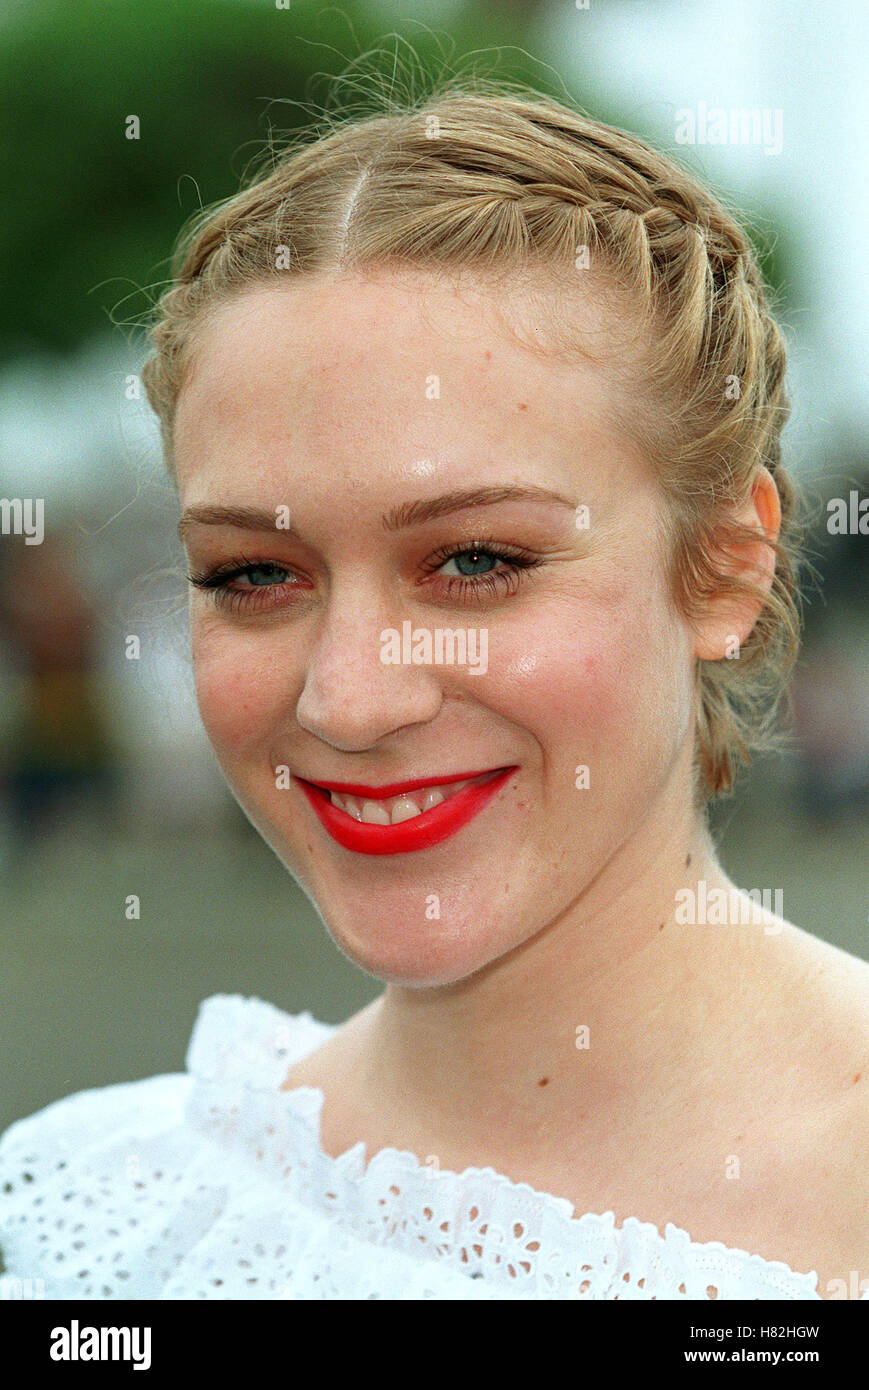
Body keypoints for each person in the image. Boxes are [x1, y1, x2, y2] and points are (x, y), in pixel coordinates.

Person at [1, 78, 867, 1301]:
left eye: (476, 561)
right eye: (253, 573)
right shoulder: (79, 1221)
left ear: (725, 565)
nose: (348, 701)